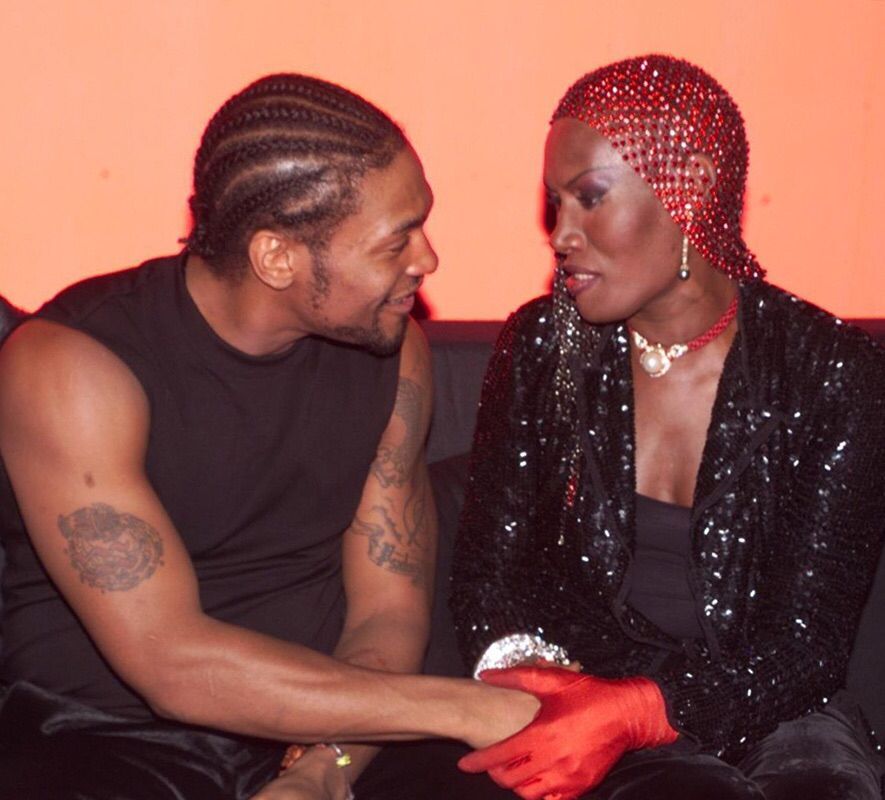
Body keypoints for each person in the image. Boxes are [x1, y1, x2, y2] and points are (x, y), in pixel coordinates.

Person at [0, 73, 539, 800]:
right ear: (277, 258)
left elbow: (386, 612)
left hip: (334, 721)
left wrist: (327, 768)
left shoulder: (392, 351)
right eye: (396, 241)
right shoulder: (72, 366)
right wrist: (469, 710)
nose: (427, 259)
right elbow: (172, 664)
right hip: (103, 739)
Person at [451, 54, 885, 800]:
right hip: (581, 688)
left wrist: (648, 710)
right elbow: (487, 579)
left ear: (692, 183)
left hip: (775, 706)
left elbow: (808, 644)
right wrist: (542, 684)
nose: (561, 233)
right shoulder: (543, 347)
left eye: (589, 198)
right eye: (554, 203)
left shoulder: (830, 369)